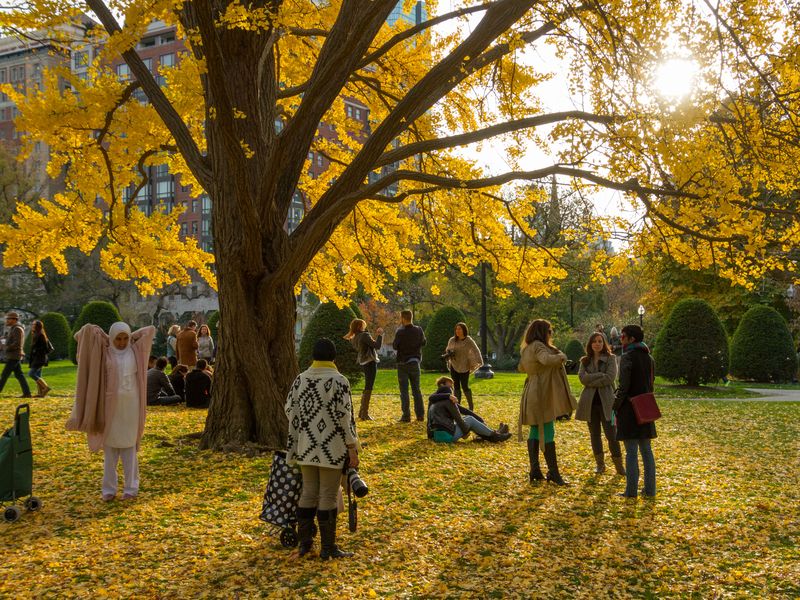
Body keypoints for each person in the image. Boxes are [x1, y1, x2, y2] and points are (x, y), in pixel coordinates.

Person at [285, 338, 359, 559]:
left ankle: (304, 545)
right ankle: (328, 548)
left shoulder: (301, 379)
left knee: (308, 493)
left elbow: (289, 407)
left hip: (306, 445)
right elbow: (344, 417)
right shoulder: (339, 381)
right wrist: (352, 447)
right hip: (332, 446)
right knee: (327, 495)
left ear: (313, 356)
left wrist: (307, 425)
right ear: (333, 357)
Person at [66, 321, 156, 501]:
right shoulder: (104, 352)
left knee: (129, 448)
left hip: (131, 405)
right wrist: (106, 338)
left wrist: (131, 337)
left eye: (125, 338)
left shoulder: (136, 351)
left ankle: (131, 487)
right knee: (110, 448)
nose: (122, 342)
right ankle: (109, 489)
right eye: (118, 338)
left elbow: (149, 331)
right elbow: (80, 336)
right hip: (110, 405)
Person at [518, 319, 576, 485]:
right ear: (542, 332)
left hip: (532, 390)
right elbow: (545, 360)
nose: (551, 334)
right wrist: (561, 356)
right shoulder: (538, 346)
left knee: (536, 428)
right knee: (548, 428)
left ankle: (535, 470)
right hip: (541, 392)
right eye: (549, 331)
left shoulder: (527, 348)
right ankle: (553, 472)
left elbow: (521, 367)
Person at [613, 324, 657, 499]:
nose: (620, 339)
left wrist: (615, 405)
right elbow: (651, 383)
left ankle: (631, 491)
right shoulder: (649, 358)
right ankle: (650, 489)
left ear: (631, 339)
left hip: (629, 407)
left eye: (623, 336)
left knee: (631, 450)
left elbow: (624, 386)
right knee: (646, 450)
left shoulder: (627, 357)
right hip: (645, 406)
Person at [575, 332, 624, 475]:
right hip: (590, 403)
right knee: (594, 435)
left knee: (612, 435)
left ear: (604, 344)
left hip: (607, 402)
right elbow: (582, 379)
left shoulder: (611, 358)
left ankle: (619, 466)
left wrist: (592, 379)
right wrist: (598, 375)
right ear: (590, 344)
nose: (597, 344)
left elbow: (610, 378)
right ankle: (600, 465)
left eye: (600, 341)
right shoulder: (584, 360)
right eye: (594, 341)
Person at [427, 376, 510, 443]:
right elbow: (458, 418)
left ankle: (494, 434)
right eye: (450, 387)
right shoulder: (448, 400)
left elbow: (464, 411)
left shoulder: (434, 402)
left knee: (467, 419)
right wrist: (465, 432)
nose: (452, 389)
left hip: (437, 435)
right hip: (447, 436)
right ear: (443, 386)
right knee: (469, 420)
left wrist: (480, 420)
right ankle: (496, 436)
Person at [344, 318, 384, 421]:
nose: (364, 326)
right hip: (370, 361)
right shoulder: (364, 335)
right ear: (359, 326)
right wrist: (380, 335)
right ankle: (364, 413)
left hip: (363, 362)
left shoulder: (355, 337)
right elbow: (377, 346)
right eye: (363, 325)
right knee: (369, 386)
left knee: (367, 385)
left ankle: (362, 412)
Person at [392, 310, 426, 422]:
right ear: (411, 317)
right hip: (415, 362)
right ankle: (420, 415)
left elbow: (395, 346)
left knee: (404, 391)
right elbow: (424, 342)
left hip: (402, 363)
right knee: (417, 390)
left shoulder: (400, 332)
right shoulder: (419, 330)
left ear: (402, 318)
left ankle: (406, 416)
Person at [443, 322, 482, 410]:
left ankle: (471, 406)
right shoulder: (452, 340)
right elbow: (447, 350)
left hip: (465, 366)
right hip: (454, 365)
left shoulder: (468, 340)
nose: (458, 331)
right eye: (456, 329)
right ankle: (457, 406)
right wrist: (448, 354)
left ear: (464, 330)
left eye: (459, 329)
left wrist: (478, 361)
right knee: (456, 386)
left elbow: (476, 350)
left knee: (465, 386)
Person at [0, 311, 32, 398]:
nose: (6, 321)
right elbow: (13, 339)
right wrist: (5, 339)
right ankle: (27, 393)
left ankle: (27, 393)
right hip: (14, 355)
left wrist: (5, 347)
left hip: (14, 356)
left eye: (8, 319)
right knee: (19, 375)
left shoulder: (17, 329)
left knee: (4, 374)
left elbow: (17, 343)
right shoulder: (14, 328)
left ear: (14, 320)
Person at [27, 319, 53, 397]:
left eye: (33, 324)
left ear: (37, 326)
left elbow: (44, 348)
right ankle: (41, 393)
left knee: (31, 374)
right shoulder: (37, 334)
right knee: (38, 375)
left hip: (39, 359)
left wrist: (35, 351)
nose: (32, 326)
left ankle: (46, 387)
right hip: (38, 358)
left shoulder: (40, 335)